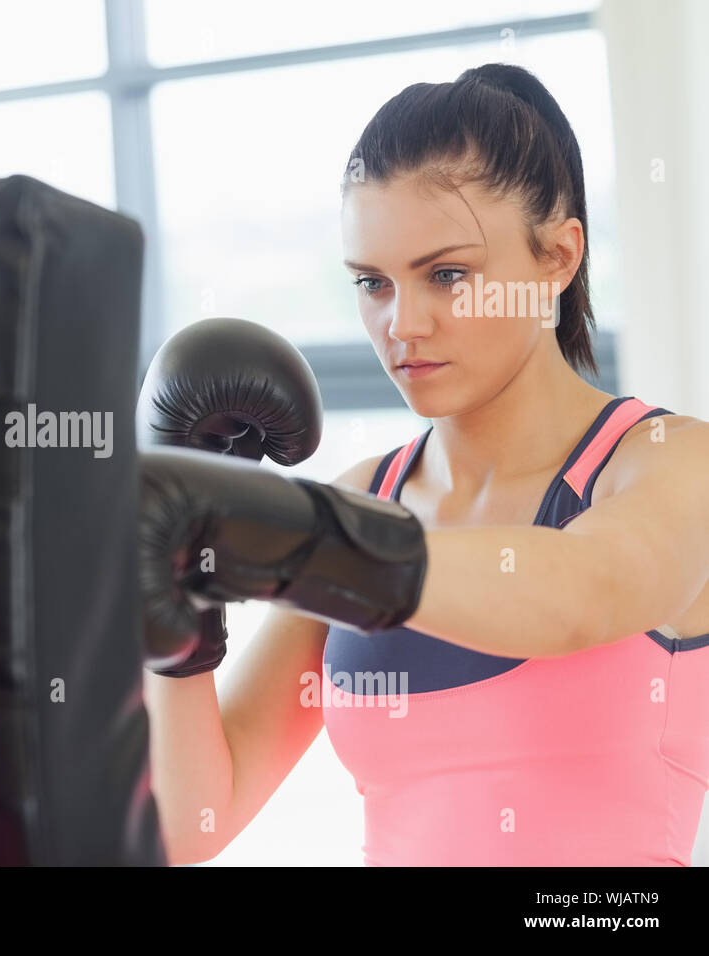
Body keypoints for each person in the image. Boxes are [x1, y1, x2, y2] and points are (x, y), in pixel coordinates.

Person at [144, 63, 709, 865]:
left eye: (448, 275)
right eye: (372, 283)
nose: (402, 324)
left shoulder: (668, 464)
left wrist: (284, 537)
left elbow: (580, 593)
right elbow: (193, 824)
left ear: (557, 257)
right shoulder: (360, 499)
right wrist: (178, 601)